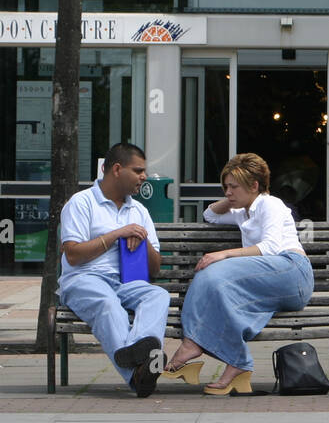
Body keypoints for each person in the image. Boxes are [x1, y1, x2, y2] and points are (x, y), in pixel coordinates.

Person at [164, 153, 314, 396]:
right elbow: (209, 215)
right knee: (215, 286)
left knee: (211, 270)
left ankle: (191, 345)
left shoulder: (270, 204)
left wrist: (224, 254)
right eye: (225, 187)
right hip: (271, 279)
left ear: (254, 185)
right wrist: (233, 199)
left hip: (292, 271)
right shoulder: (241, 211)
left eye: (233, 186)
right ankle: (236, 362)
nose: (227, 192)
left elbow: (271, 248)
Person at [58, 142, 169, 396]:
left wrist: (143, 243)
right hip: (85, 278)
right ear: (117, 169)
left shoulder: (139, 211)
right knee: (108, 305)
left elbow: (155, 270)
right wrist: (118, 233)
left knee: (158, 295)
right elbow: (73, 255)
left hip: (127, 282)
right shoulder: (82, 203)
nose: (144, 177)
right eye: (138, 170)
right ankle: (139, 373)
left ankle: (138, 351)